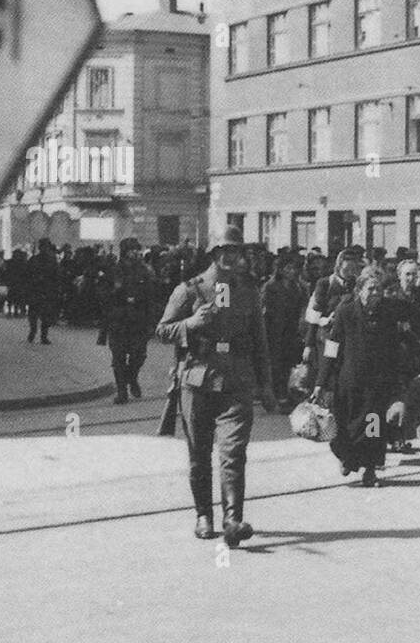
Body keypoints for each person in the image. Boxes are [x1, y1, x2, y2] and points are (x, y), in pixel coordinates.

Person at [156, 226, 276, 546]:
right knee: (199, 454)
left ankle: (233, 519)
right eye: (223, 251)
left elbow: (260, 342)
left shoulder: (249, 291)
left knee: (233, 452)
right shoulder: (190, 290)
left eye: (234, 251)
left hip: (236, 380)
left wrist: (266, 385)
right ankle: (203, 515)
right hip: (197, 380)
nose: (229, 256)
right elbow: (163, 330)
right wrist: (191, 324)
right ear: (212, 254)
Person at [312, 266, 407, 487]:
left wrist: (397, 385)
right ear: (360, 290)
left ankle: (370, 469)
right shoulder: (346, 312)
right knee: (345, 427)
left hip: (376, 386)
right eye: (371, 289)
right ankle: (347, 457)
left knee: (373, 428)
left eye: (379, 289)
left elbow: (394, 350)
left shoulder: (388, 315)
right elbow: (332, 347)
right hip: (349, 383)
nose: (376, 294)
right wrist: (320, 382)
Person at [103, 238, 156, 404]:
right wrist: (114, 292)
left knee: (138, 356)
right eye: (132, 249)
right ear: (125, 251)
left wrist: (151, 322)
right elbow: (102, 295)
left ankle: (131, 378)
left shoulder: (145, 271)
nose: (135, 252)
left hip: (138, 321)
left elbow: (152, 297)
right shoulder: (114, 271)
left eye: (136, 249)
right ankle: (122, 391)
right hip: (119, 321)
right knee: (118, 358)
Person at [303, 245, 364, 384]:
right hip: (327, 335)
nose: (349, 273)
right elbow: (314, 315)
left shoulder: (356, 285)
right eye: (346, 269)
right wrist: (309, 344)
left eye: (353, 270)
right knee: (327, 370)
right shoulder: (325, 284)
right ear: (338, 267)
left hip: (347, 337)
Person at [262, 253, 308, 412]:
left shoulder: (301, 287)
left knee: (290, 363)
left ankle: (287, 393)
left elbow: (305, 307)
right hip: (275, 330)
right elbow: (264, 309)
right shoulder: (271, 286)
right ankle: (279, 396)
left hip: (293, 331)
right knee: (277, 364)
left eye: (294, 268)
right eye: (288, 268)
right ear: (280, 269)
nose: (292, 271)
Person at [26, 238, 61, 344]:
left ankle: (43, 335)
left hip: (47, 289)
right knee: (33, 313)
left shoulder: (52, 260)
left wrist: (56, 288)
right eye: (43, 246)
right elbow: (27, 274)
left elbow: (57, 275)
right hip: (36, 289)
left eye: (46, 246)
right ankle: (33, 331)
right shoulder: (34, 259)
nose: (44, 249)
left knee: (46, 314)